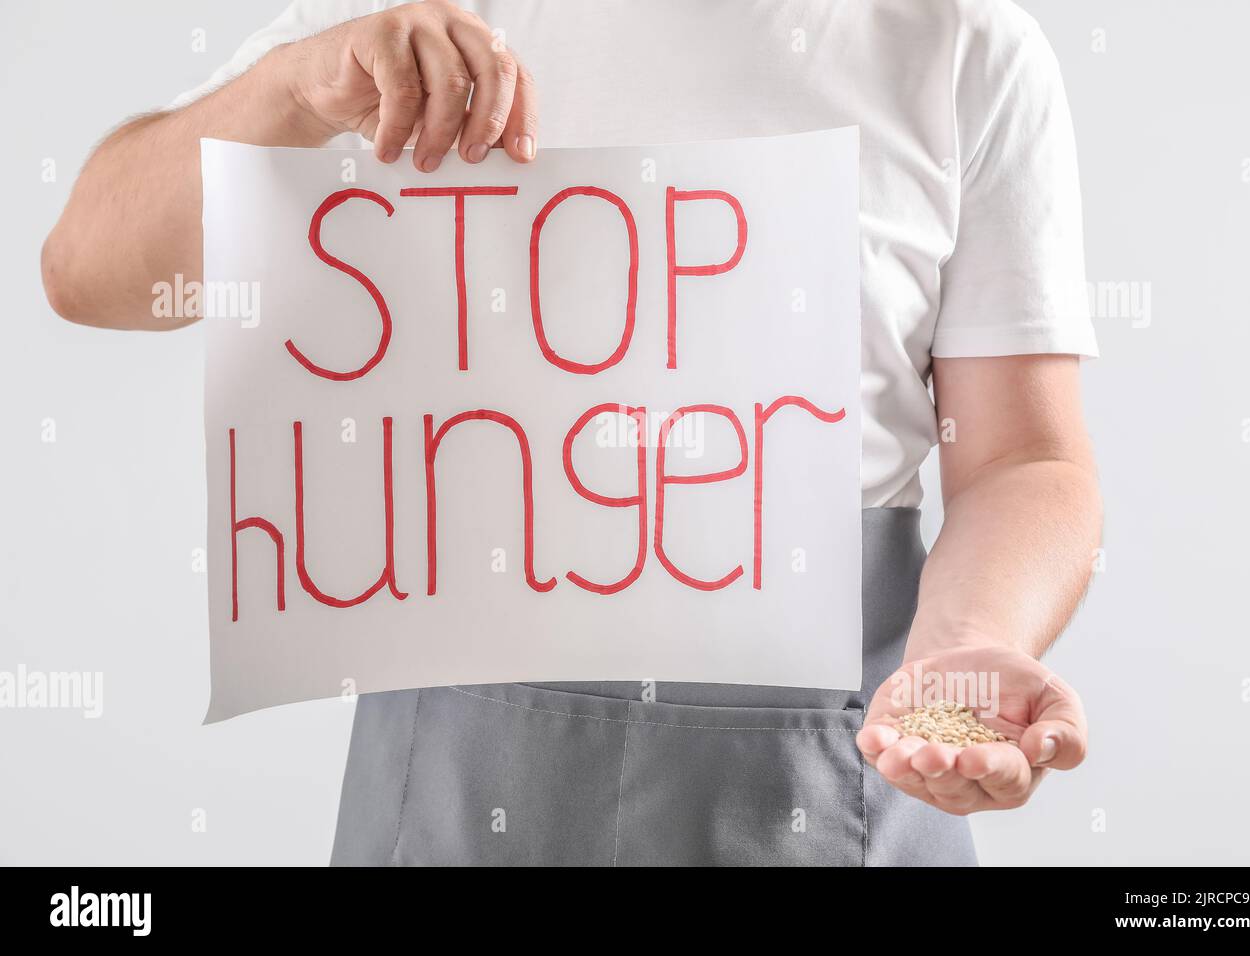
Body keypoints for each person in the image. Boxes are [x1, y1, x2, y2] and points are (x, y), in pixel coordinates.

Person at [41, 0, 1101, 866]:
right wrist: (288, 88)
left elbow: (1020, 455)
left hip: (846, 773)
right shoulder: (411, 23)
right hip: (452, 801)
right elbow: (88, 265)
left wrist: (968, 644)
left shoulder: (962, 47)